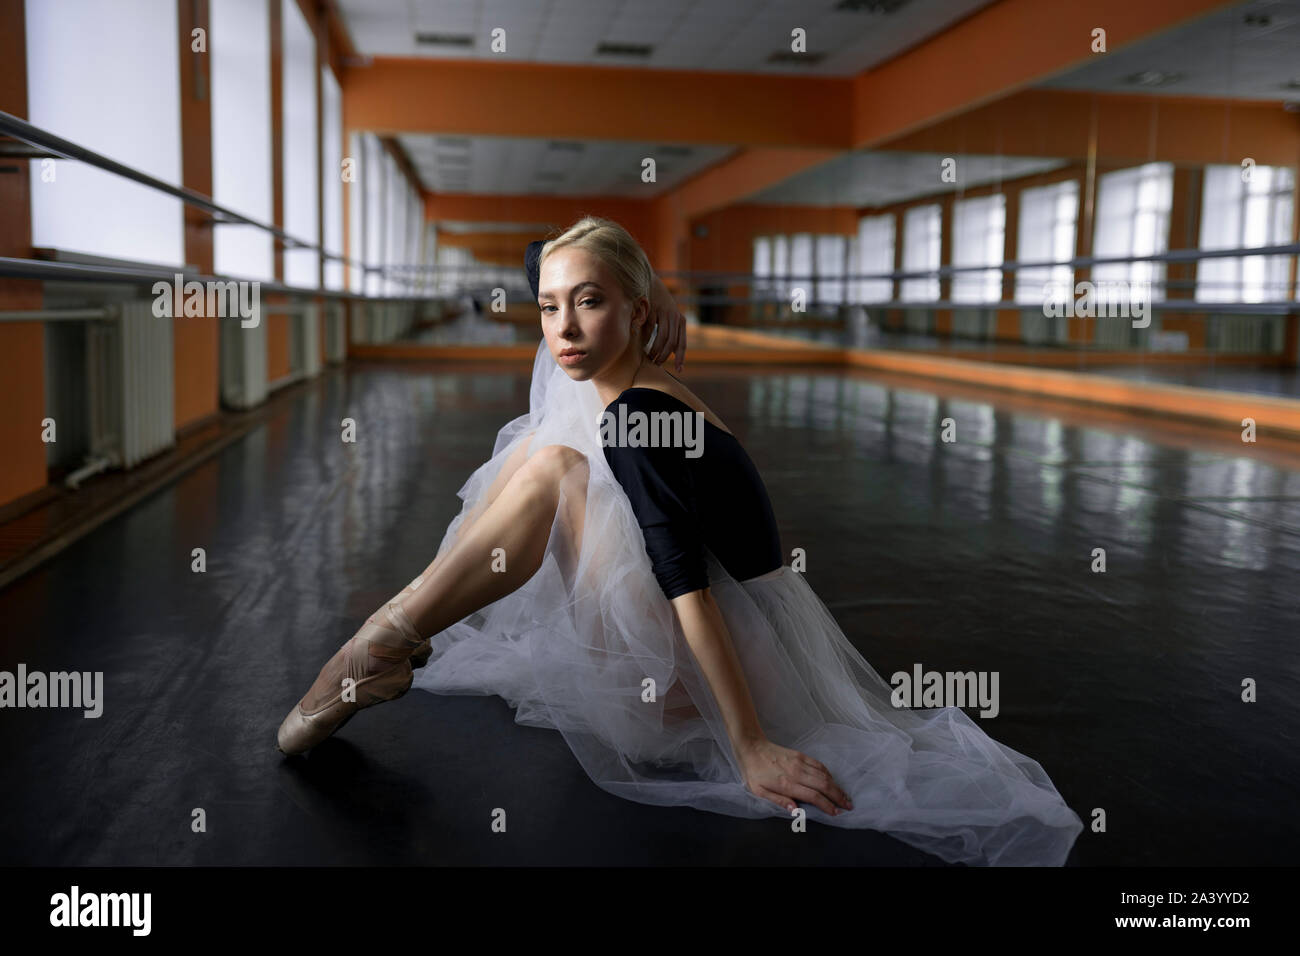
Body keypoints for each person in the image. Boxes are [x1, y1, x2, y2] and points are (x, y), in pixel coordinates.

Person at [276, 216, 1084, 866]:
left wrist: (751, 746)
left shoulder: (639, 421)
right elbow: (549, 262)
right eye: (549, 306)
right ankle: (384, 640)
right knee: (546, 448)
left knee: (553, 466)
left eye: (589, 303)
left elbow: (683, 582)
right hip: (699, 645)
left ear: (632, 308)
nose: (562, 328)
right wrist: (646, 293)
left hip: (674, 690)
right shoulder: (627, 374)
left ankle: (381, 640)